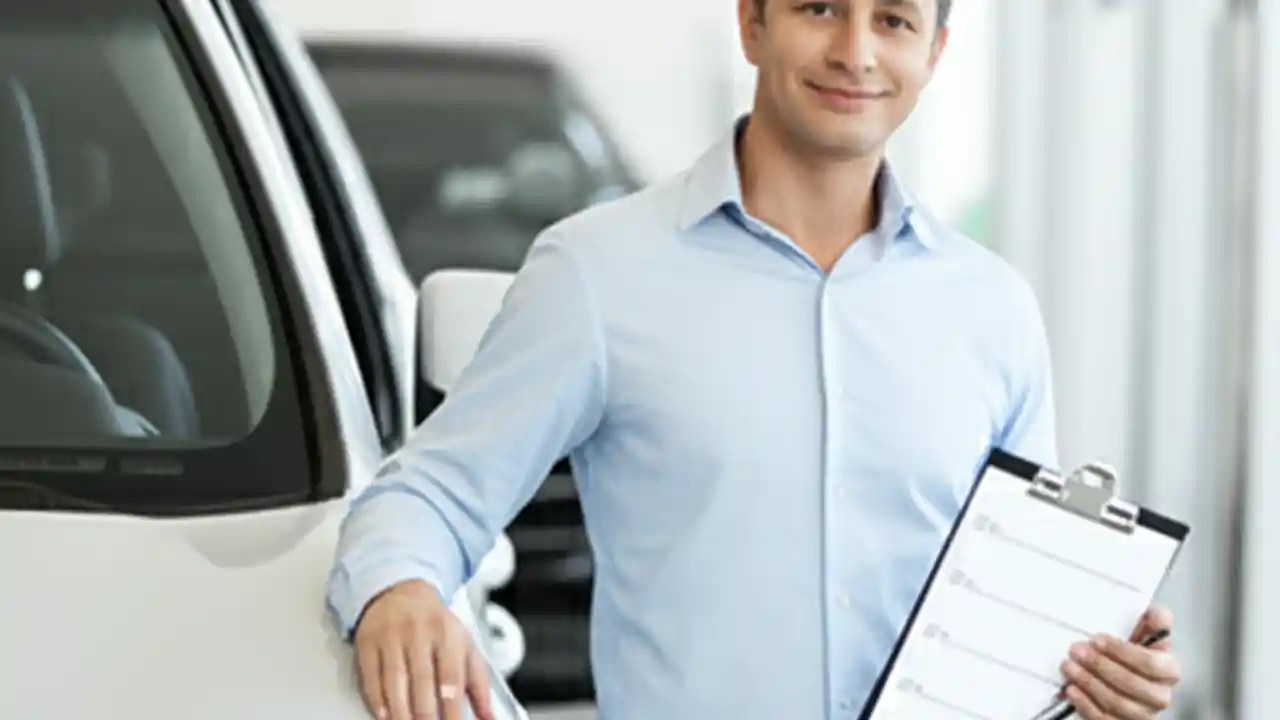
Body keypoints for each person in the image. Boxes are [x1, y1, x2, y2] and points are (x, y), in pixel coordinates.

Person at [326, 1, 1183, 718]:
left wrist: (1101, 676)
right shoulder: (598, 275)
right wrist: (398, 590)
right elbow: (429, 496)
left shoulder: (994, 311)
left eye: (892, 20)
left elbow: (1015, 607)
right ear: (753, 23)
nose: (855, 52)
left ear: (934, 52)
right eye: (819, 8)